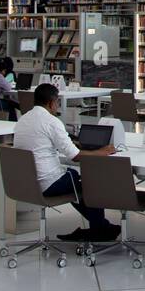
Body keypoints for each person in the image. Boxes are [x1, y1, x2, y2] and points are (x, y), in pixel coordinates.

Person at [13, 82, 120, 241]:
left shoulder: (22, 120)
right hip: (47, 183)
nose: (57, 106)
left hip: (27, 183)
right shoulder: (52, 122)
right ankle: (100, 229)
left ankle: (101, 226)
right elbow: (75, 156)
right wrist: (101, 152)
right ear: (51, 102)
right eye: (57, 102)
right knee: (88, 183)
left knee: (73, 176)